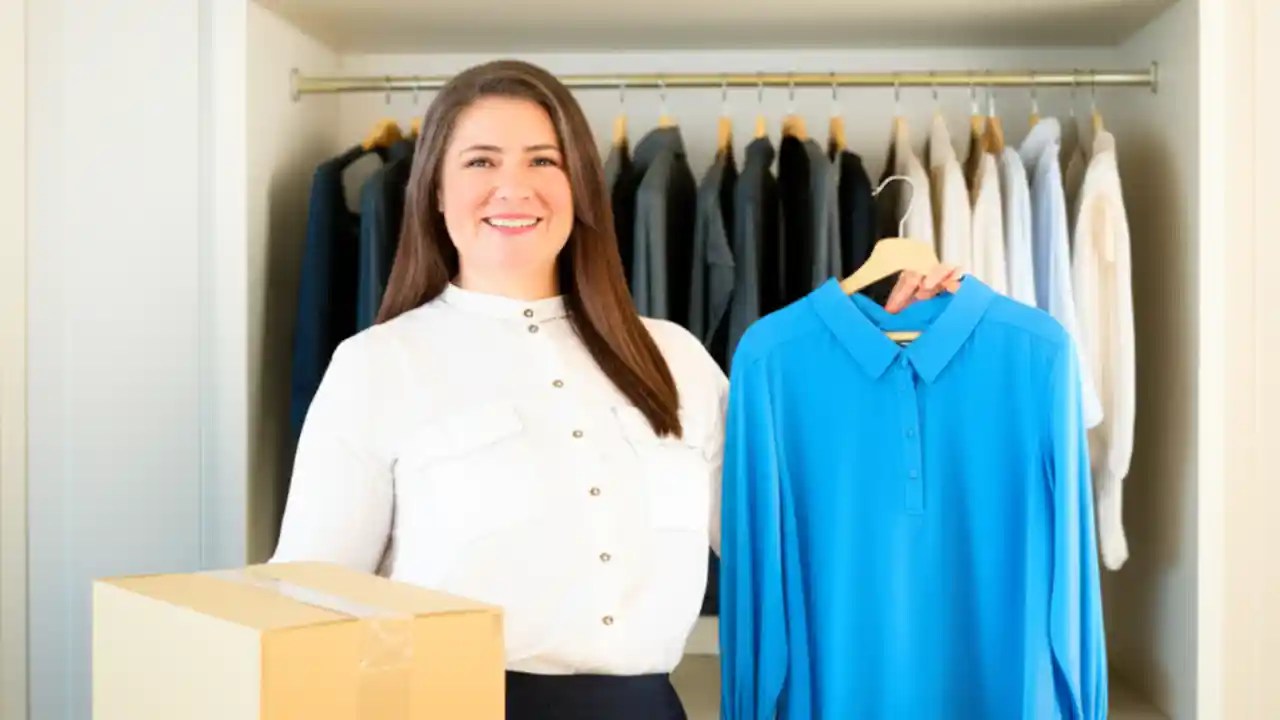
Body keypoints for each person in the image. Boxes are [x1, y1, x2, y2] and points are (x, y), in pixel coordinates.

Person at [271, 59, 959, 720]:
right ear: (435, 193)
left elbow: (790, 537)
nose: (514, 186)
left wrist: (884, 361)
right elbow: (306, 607)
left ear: (582, 188)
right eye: (480, 161)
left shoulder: (676, 357)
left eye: (544, 160)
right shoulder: (377, 365)